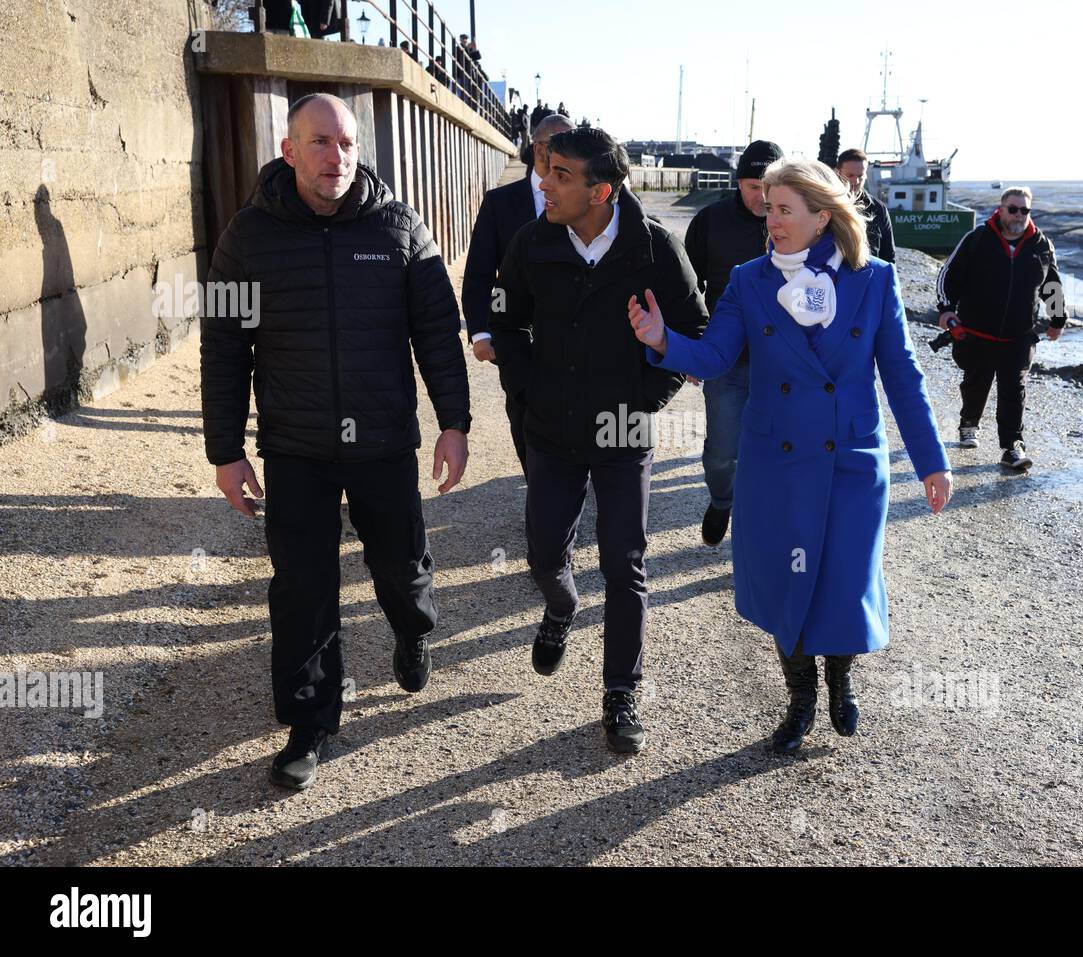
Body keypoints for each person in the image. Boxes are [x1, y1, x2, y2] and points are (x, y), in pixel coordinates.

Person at [630, 159, 952, 753]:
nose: (769, 219)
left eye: (783, 209)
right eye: (768, 207)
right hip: (775, 463)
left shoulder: (875, 279)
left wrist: (932, 461)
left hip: (852, 461)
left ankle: (841, 679)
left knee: (845, 576)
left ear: (821, 216)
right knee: (789, 577)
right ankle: (800, 695)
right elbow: (715, 357)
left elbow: (902, 376)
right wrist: (662, 341)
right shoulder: (748, 280)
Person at [201, 94, 470, 789]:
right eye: (321, 142)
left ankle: (412, 631)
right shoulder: (247, 238)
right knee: (302, 586)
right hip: (296, 446)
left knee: (401, 567)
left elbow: (439, 332)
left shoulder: (399, 227)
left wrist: (455, 423)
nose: (337, 157)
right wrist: (225, 450)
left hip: (382, 439)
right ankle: (309, 722)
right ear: (289, 150)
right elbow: (223, 348)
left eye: (347, 143)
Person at [491, 128, 709, 754]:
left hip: (626, 431)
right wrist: (527, 391)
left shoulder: (656, 250)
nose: (544, 183)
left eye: (560, 174)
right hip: (551, 433)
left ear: (601, 190)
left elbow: (691, 332)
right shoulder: (532, 243)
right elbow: (506, 323)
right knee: (541, 555)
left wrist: (646, 399)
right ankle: (561, 608)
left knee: (625, 564)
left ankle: (620, 693)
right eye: (546, 169)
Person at [682, 139, 784, 546]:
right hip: (727, 359)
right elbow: (687, 291)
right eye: (752, 186)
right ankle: (722, 499)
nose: (761, 197)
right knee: (722, 453)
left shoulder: (797, 223)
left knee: (775, 451)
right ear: (737, 183)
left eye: (769, 187)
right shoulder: (710, 221)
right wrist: (693, 351)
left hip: (782, 364)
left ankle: (757, 531)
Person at [463, 113, 575, 474]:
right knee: (525, 420)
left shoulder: (585, 197)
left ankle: (563, 488)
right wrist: (480, 332)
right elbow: (479, 271)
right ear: (540, 149)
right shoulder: (500, 203)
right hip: (518, 340)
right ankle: (541, 487)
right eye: (564, 146)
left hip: (577, 338)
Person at [935, 186, 1068, 469]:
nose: (1019, 214)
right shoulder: (977, 239)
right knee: (976, 382)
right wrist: (946, 309)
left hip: (1018, 336)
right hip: (976, 333)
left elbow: (1052, 285)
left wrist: (1057, 319)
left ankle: (1012, 447)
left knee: (1014, 389)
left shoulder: (1041, 244)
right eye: (1013, 208)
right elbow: (949, 275)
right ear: (1001, 208)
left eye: (1025, 210)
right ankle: (969, 423)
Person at [835, 148, 895, 263]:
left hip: (870, 276)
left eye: (860, 176)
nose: (855, 181)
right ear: (838, 173)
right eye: (850, 175)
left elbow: (889, 255)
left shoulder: (878, 209)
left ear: (866, 175)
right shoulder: (825, 205)